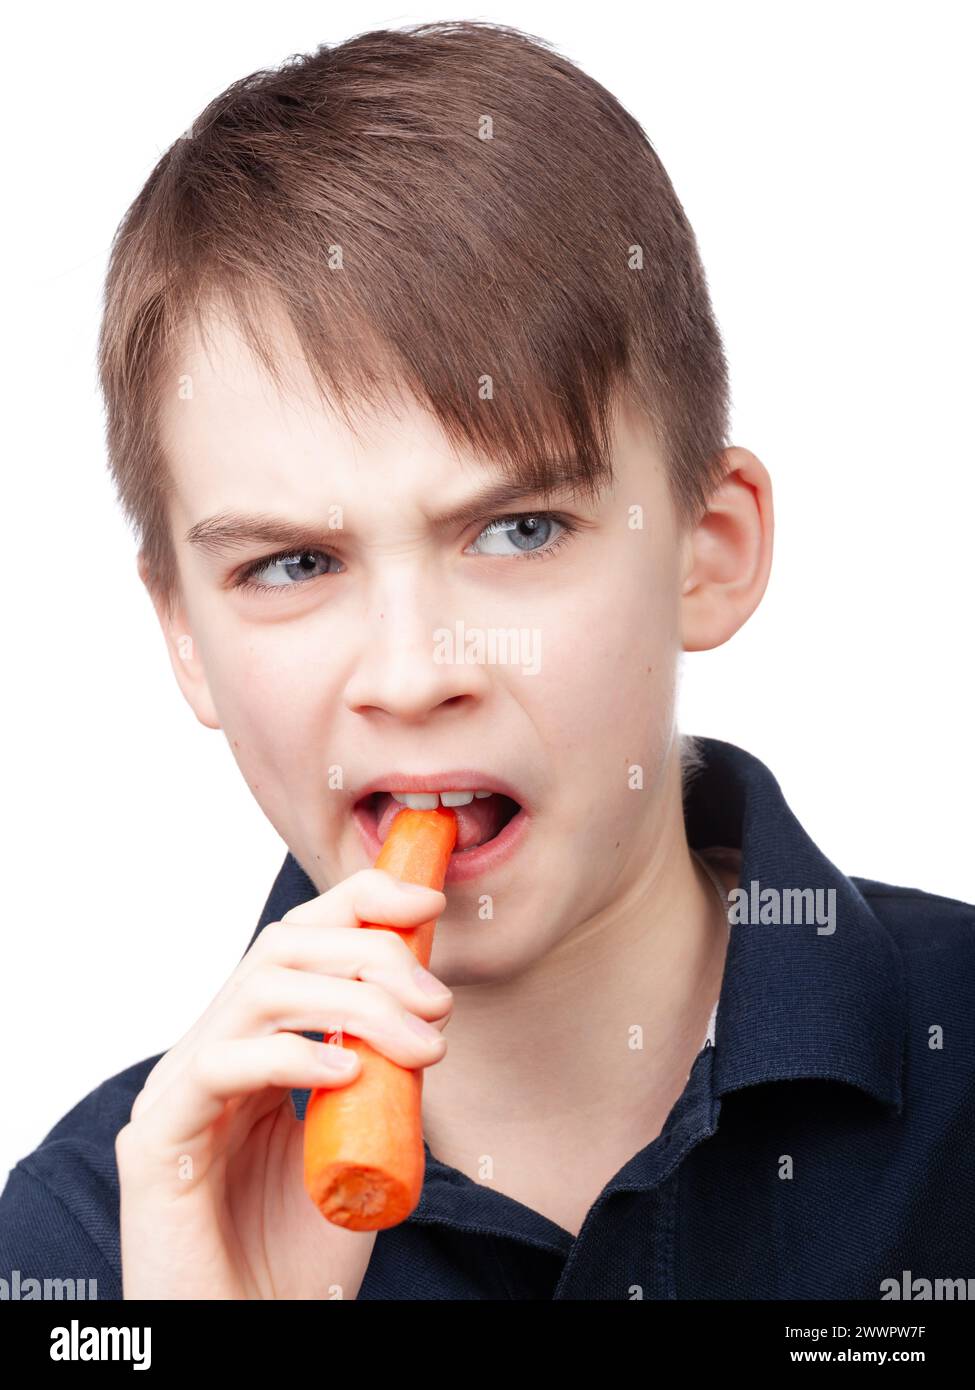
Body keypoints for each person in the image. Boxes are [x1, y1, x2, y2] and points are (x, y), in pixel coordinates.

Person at [2, 20, 972, 1302]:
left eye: (518, 530)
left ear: (709, 548)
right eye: (290, 564)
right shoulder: (91, 1243)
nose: (411, 675)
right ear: (184, 632)